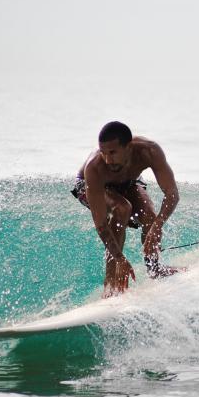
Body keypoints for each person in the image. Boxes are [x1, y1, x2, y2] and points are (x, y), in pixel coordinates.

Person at [72, 121, 181, 297]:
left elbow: (172, 194)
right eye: (103, 153)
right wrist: (119, 258)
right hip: (89, 185)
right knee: (122, 208)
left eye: (113, 152)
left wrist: (157, 225)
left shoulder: (149, 151)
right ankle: (110, 284)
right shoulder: (95, 167)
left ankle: (155, 269)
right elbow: (100, 224)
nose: (108, 160)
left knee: (149, 217)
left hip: (128, 180)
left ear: (128, 147)